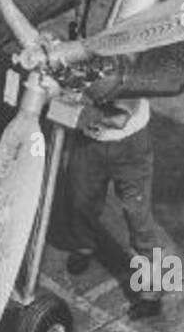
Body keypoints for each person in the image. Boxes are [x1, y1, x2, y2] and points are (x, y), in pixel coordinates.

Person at [59, 79, 165, 318]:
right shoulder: (77, 42)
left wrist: (66, 107)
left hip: (130, 146)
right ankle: (84, 245)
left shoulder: (128, 57)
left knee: (137, 214)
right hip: (89, 142)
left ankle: (151, 291)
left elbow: (119, 118)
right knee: (80, 198)